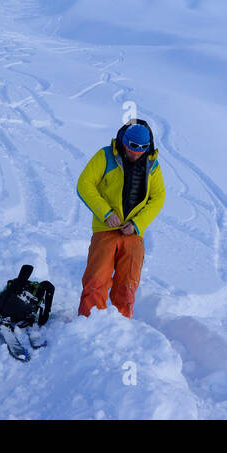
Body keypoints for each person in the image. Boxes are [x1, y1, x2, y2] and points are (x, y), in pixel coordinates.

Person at [74, 118, 166, 318]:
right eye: (133, 148)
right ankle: (88, 324)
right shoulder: (106, 156)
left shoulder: (153, 165)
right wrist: (106, 213)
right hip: (105, 229)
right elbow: (84, 184)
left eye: (142, 149)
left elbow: (158, 198)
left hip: (133, 234)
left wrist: (137, 224)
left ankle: (121, 330)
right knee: (96, 281)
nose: (136, 153)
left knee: (127, 285)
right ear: (124, 142)